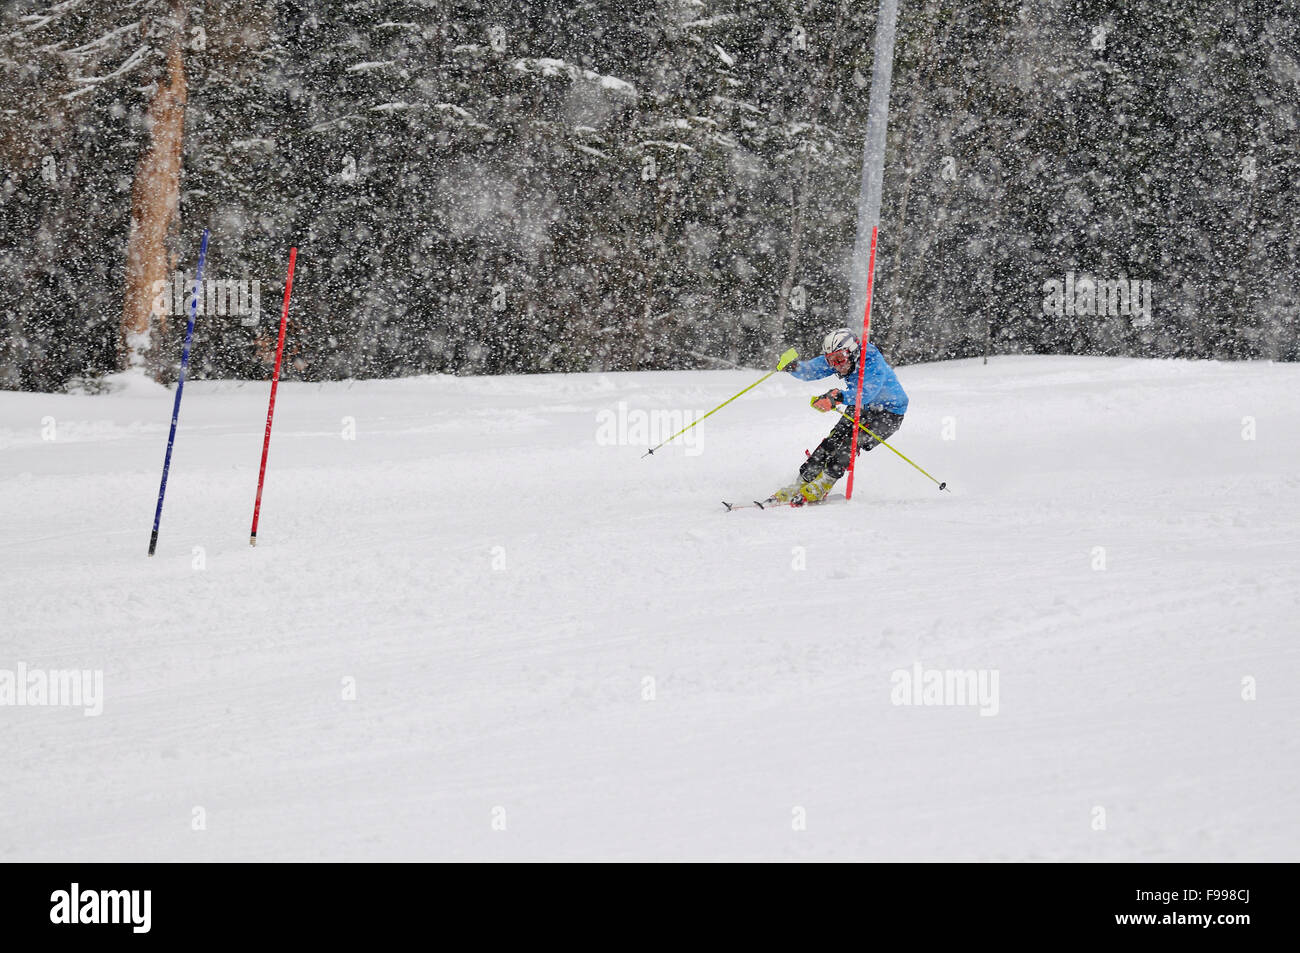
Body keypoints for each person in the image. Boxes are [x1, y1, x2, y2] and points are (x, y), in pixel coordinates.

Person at [771, 328, 909, 503]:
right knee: (833, 439)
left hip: (889, 412)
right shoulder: (843, 359)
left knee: (851, 443)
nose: (836, 365)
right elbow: (814, 369)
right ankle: (801, 482)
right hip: (862, 405)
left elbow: (867, 392)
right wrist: (794, 367)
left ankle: (824, 483)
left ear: (852, 352)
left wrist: (838, 397)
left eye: (839, 359)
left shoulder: (872, 361)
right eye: (831, 360)